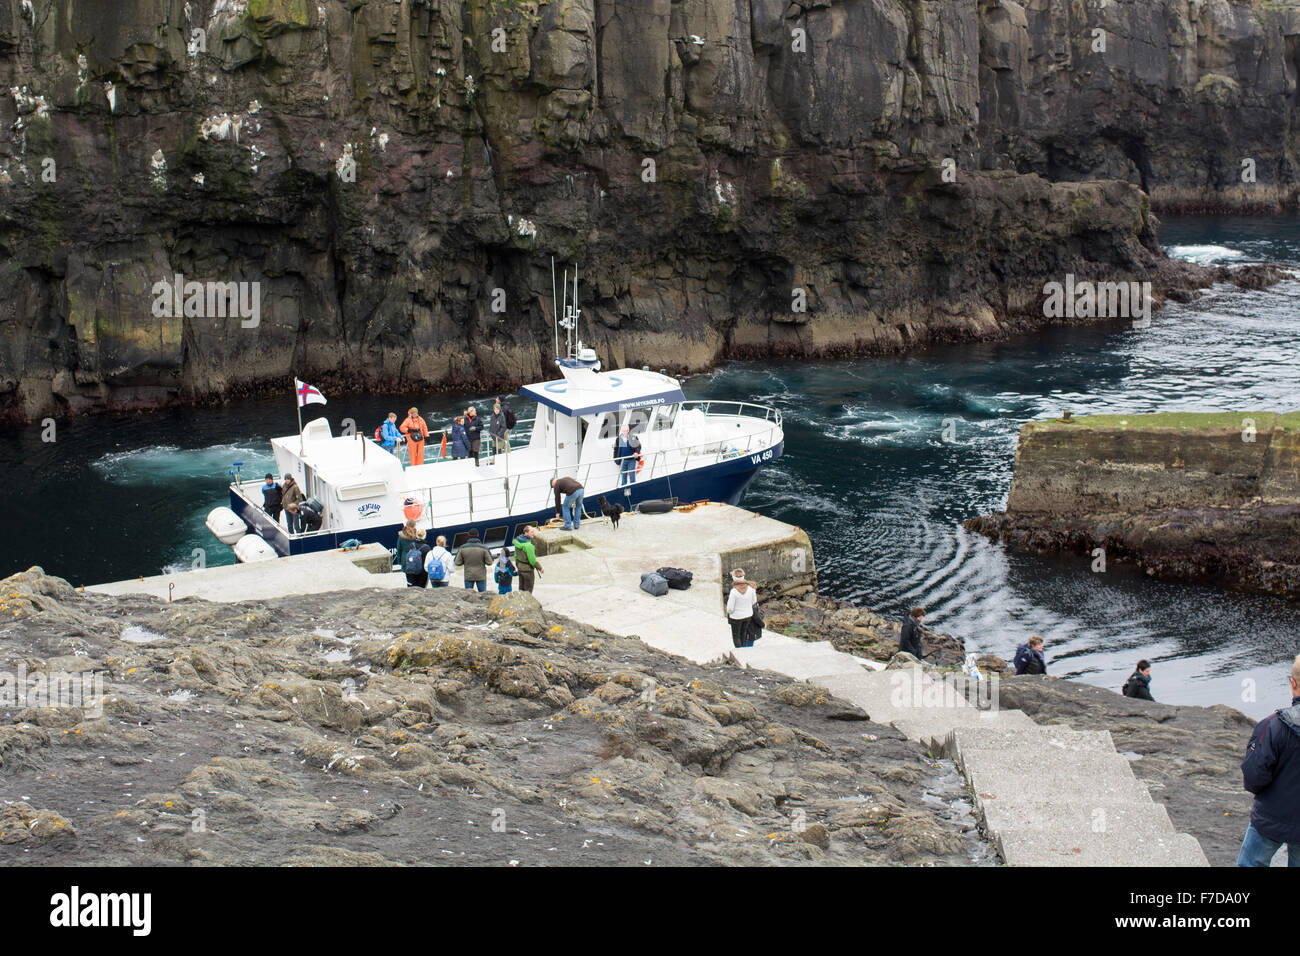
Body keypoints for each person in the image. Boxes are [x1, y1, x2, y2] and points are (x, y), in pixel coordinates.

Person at [1236, 654, 1300, 867]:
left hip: (1272, 816)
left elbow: (1254, 777)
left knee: (1250, 864)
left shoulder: (1273, 726)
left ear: (1292, 683)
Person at [726, 569, 758, 648]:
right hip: (747, 616)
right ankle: (743, 651)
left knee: (736, 636)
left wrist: (731, 612)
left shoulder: (734, 591)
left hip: (736, 617)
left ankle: (739, 652)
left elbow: (730, 608)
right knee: (743, 635)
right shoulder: (751, 588)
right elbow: (754, 601)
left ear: (734, 578)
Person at [396, 521, 428, 585]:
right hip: (417, 559)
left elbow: (399, 550)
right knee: (418, 578)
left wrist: (399, 562)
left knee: (410, 580)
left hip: (405, 559)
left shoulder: (401, 536)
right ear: (414, 526)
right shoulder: (416, 535)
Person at [513, 526, 543, 592]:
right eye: (531, 532)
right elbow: (532, 561)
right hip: (528, 571)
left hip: (520, 569)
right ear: (526, 533)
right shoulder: (529, 546)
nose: (533, 533)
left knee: (521, 588)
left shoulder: (517, 541)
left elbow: (515, 556)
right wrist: (540, 568)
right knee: (528, 590)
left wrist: (518, 565)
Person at [489, 398, 511, 466]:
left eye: (497, 409)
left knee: (499, 449)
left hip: (499, 436)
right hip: (493, 436)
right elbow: (491, 426)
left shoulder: (502, 416)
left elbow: (503, 427)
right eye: (495, 409)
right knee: (494, 449)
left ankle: (498, 462)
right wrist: (491, 433)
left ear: (499, 409)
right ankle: (494, 460)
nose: (496, 411)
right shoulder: (492, 416)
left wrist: (498, 435)